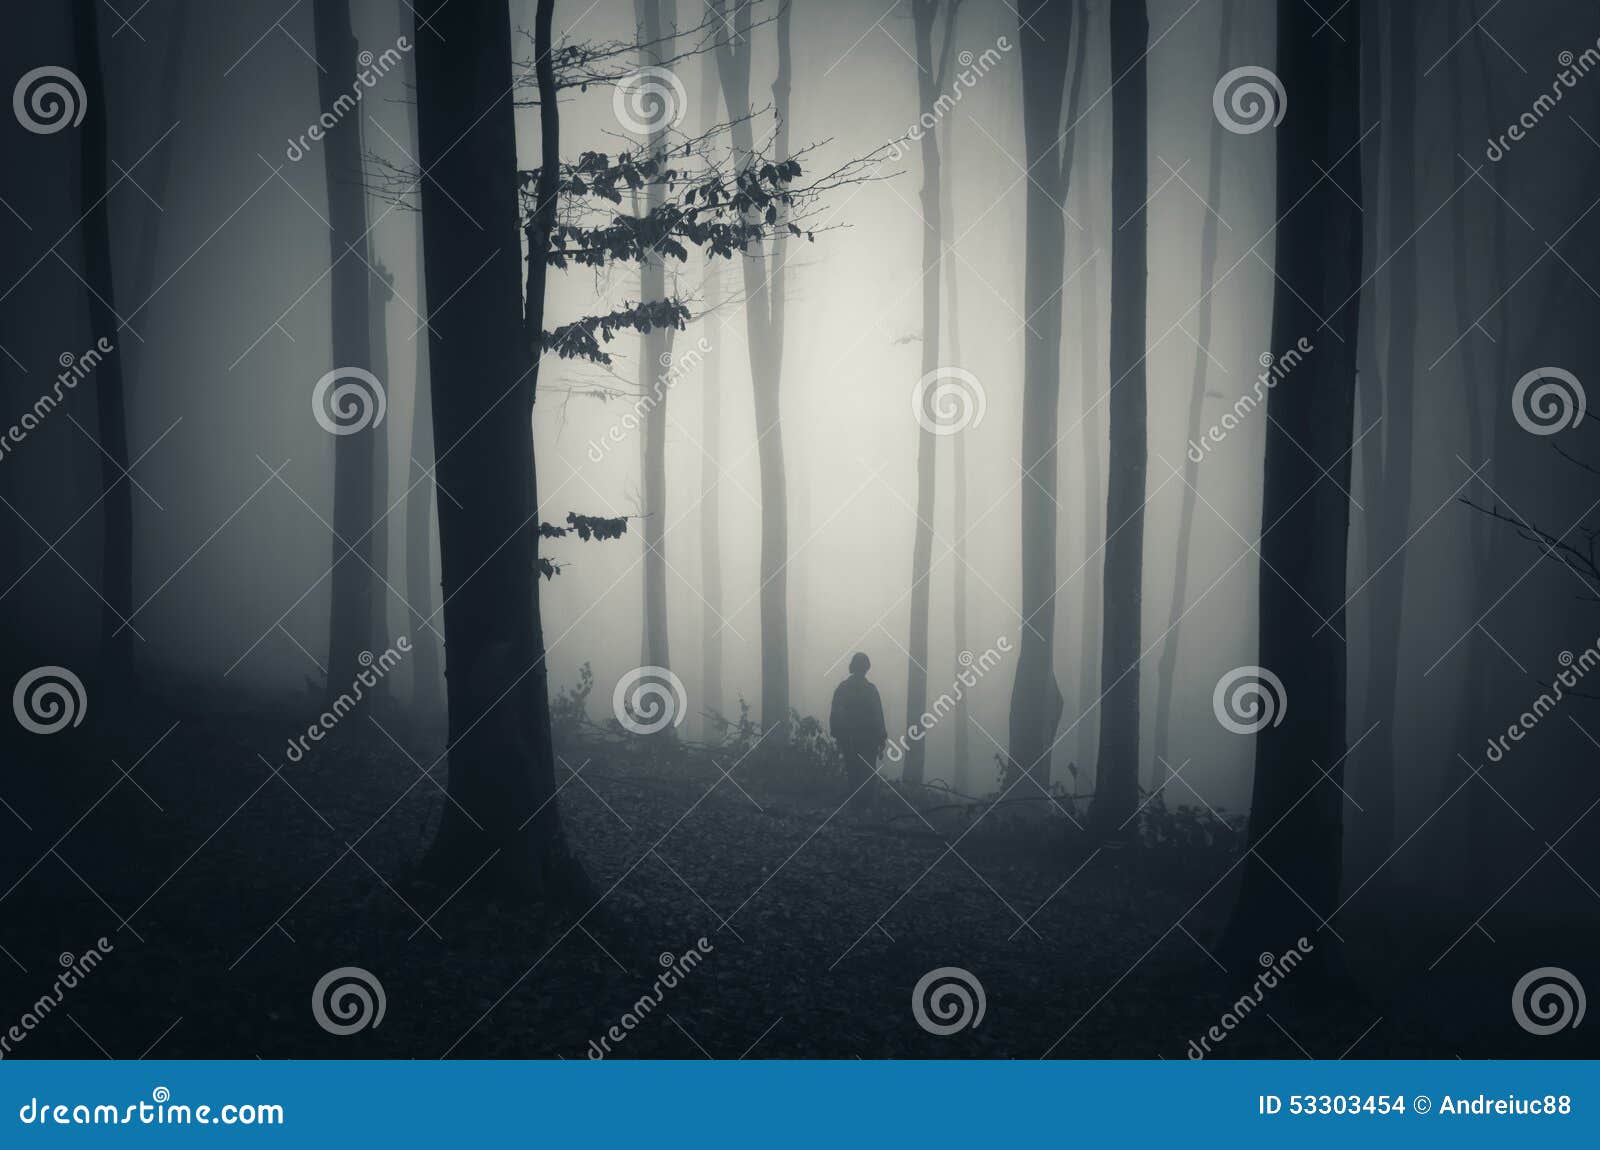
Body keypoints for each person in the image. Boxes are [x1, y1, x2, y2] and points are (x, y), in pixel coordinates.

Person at [829, 652, 887, 798]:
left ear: (852, 667)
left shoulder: (843, 688)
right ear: (866, 668)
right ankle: (864, 808)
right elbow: (878, 716)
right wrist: (881, 738)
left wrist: (838, 735)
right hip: (868, 741)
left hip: (850, 740)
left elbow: (835, 714)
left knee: (853, 771)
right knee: (867, 774)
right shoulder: (871, 690)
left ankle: (855, 806)